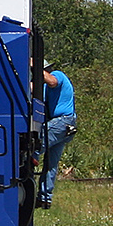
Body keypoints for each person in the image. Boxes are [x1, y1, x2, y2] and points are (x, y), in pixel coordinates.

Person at [37, 60, 76, 209]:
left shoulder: (56, 75)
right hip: (64, 126)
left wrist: (35, 66)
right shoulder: (45, 88)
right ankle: (45, 198)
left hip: (62, 122)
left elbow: (52, 81)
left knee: (32, 147)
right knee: (51, 163)